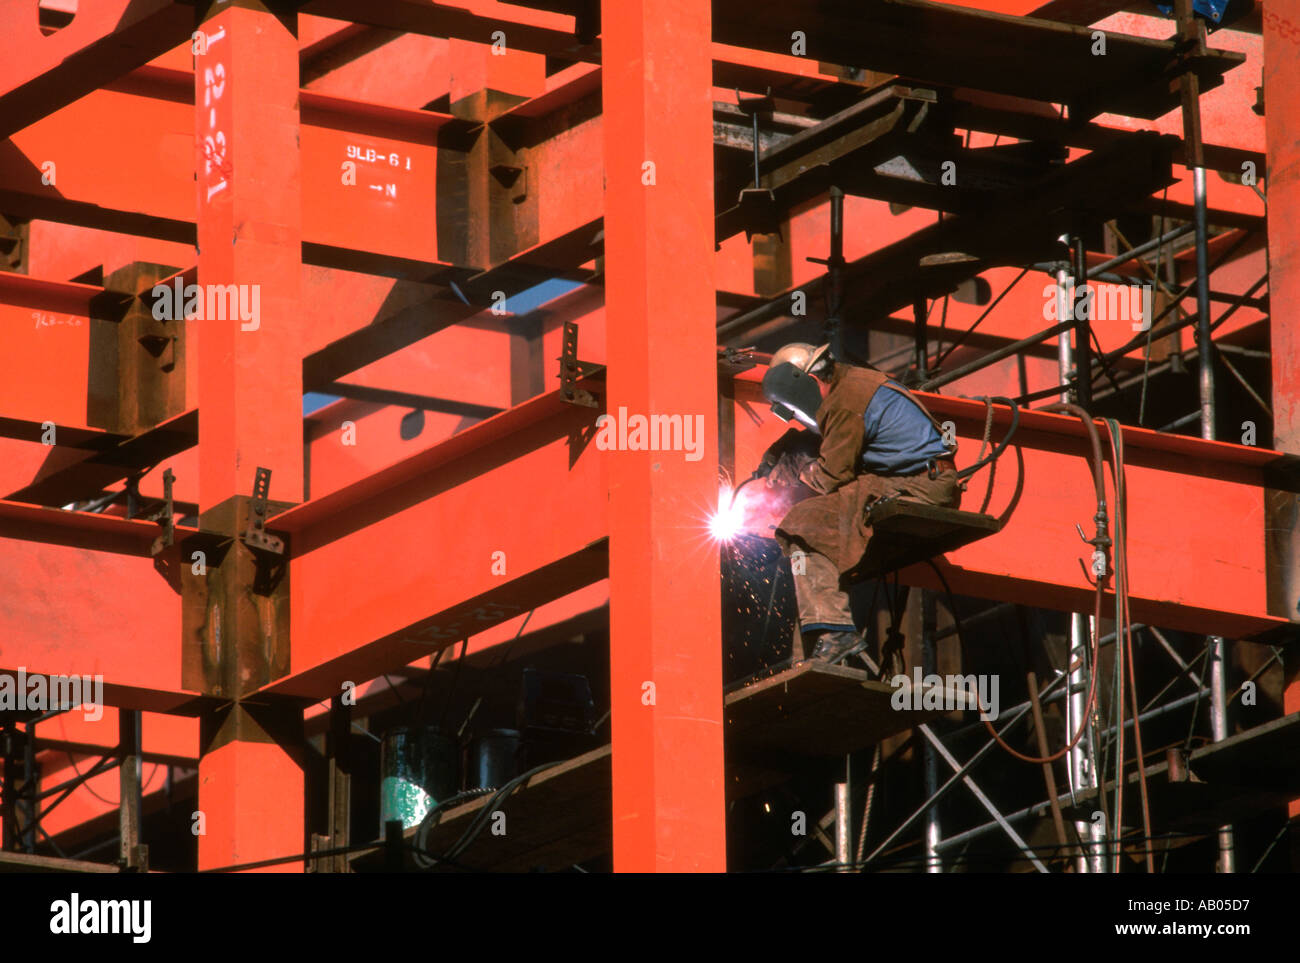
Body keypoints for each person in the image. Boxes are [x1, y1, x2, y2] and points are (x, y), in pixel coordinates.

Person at [758, 343, 962, 665]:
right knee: (814, 520)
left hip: (920, 484)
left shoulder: (845, 400)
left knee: (804, 524)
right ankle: (824, 638)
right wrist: (793, 446)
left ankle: (837, 633)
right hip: (914, 476)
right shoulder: (850, 384)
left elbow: (831, 475)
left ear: (804, 382)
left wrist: (797, 471)